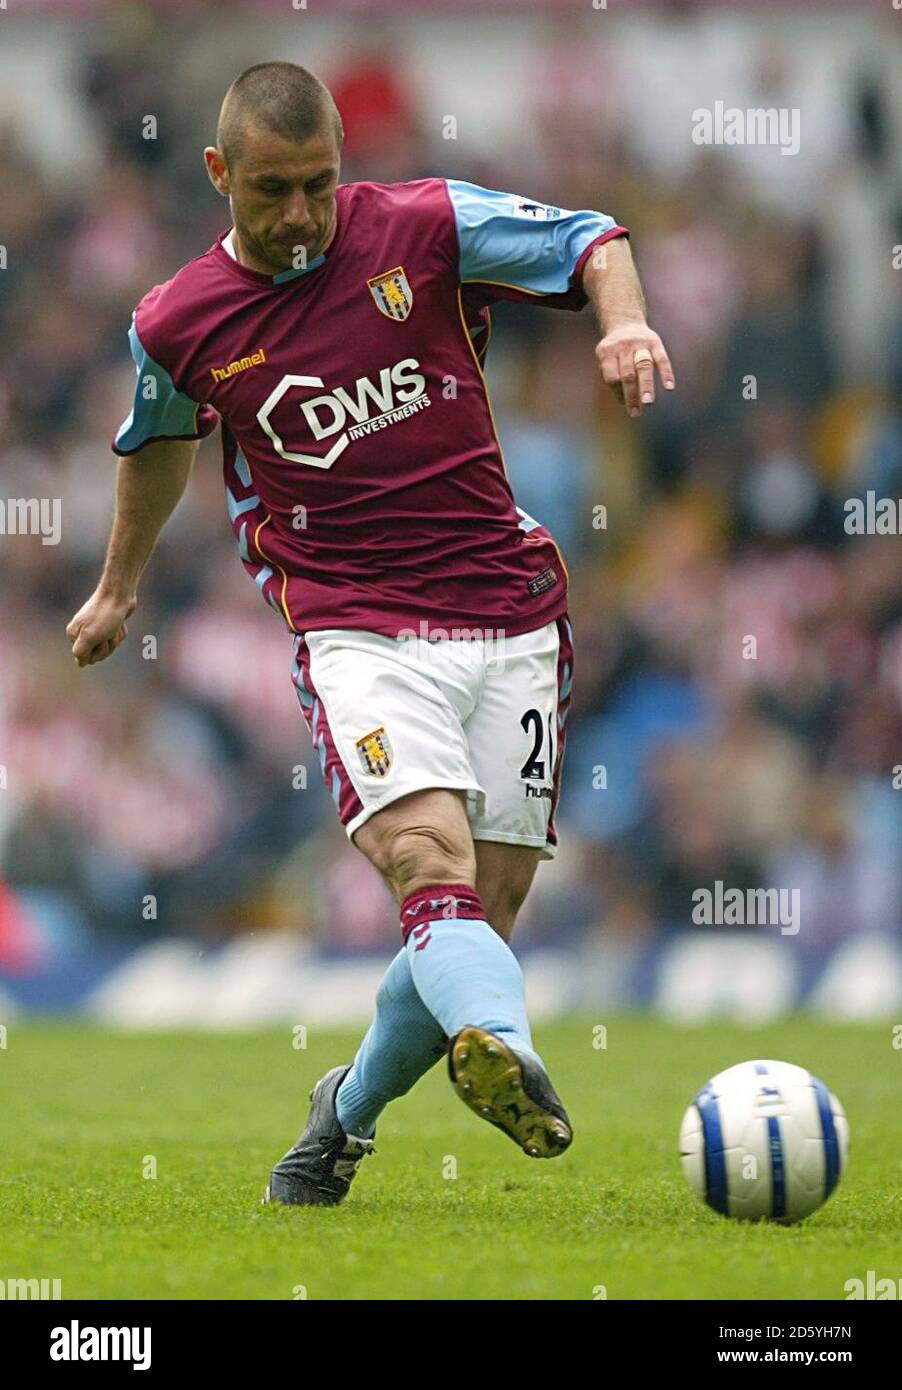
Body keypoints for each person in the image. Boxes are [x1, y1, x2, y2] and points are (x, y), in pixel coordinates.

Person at [66, 62, 675, 1206]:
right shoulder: (178, 321)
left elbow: (593, 236)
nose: (299, 215)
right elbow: (156, 449)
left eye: (318, 185)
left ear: (344, 161)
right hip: (358, 630)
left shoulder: (423, 225)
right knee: (421, 866)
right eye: (271, 191)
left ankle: (339, 1118)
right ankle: (515, 1052)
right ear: (218, 174)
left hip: (510, 613)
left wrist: (626, 323)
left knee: (476, 911)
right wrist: (116, 590)